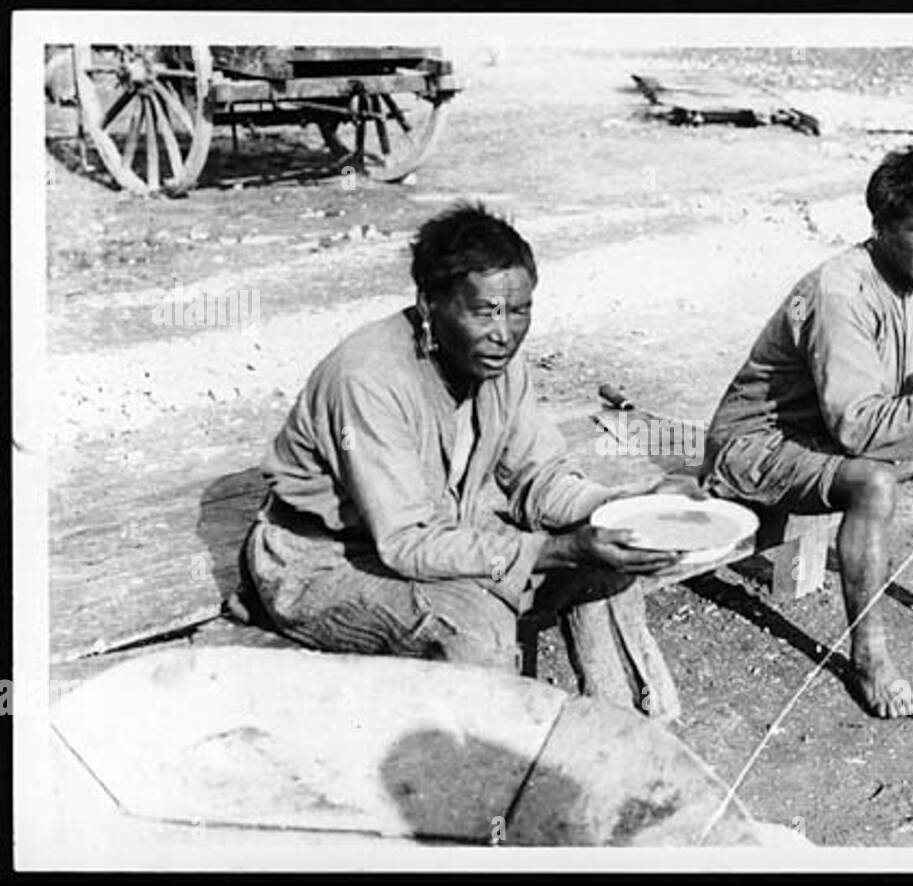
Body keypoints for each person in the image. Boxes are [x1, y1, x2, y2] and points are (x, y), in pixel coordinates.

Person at [236, 201, 695, 719]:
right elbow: (406, 543)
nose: (505, 331)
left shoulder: (499, 365)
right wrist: (556, 549)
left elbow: (539, 482)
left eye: (518, 309)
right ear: (429, 305)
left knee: (607, 567)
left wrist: (630, 507)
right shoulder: (368, 379)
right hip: (327, 560)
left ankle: (629, 740)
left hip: (442, 527)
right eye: (484, 312)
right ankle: (492, 780)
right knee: (475, 627)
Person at [699, 141, 913, 719]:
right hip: (763, 444)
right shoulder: (840, 291)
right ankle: (870, 657)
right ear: (880, 225)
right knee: (873, 482)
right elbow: (858, 431)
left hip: (835, 433)